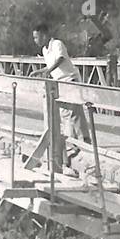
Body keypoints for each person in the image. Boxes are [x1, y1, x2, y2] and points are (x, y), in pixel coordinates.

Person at [31, 23, 89, 170]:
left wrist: (48, 71)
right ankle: (75, 145)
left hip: (69, 79)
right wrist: (41, 71)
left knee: (75, 113)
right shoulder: (45, 50)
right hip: (59, 83)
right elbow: (50, 64)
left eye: (37, 37)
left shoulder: (57, 44)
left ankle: (85, 145)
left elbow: (61, 59)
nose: (35, 40)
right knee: (65, 114)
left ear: (44, 35)